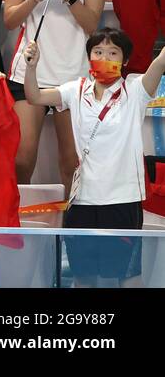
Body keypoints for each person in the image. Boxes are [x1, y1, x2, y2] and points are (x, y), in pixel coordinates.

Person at [24, 31, 165, 286]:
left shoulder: (136, 90)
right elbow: (35, 97)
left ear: (124, 60)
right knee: (83, 275)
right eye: (98, 52)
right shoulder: (74, 91)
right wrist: (31, 67)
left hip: (122, 199)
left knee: (127, 276)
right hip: (83, 201)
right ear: (89, 56)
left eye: (113, 53)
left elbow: (161, 61)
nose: (104, 57)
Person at [3, 0, 110, 192]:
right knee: (21, 160)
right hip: (29, 74)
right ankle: (19, 228)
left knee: (72, 163)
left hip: (74, 78)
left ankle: (72, 230)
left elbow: (91, 24)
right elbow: (10, 19)